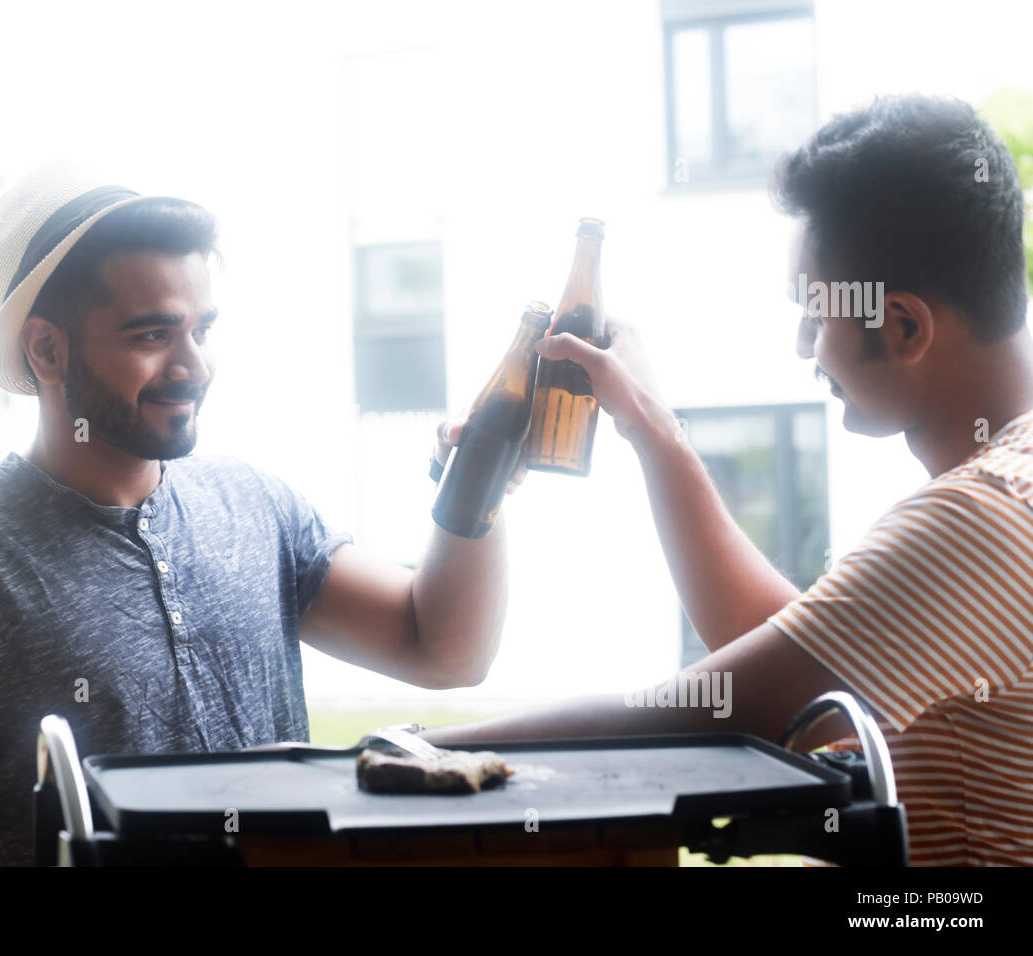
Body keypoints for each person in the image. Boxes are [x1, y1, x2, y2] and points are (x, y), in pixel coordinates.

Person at [425, 94, 1033, 866]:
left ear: (906, 327)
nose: (803, 347)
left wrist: (411, 749)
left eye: (814, 314)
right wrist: (653, 430)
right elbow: (788, 658)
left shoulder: (980, 519)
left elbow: (715, 711)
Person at [0, 166, 516, 866]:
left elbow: (444, 649)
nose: (194, 365)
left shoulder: (256, 505)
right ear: (47, 349)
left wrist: (477, 481)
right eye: (152, 336)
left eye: (202, 329)